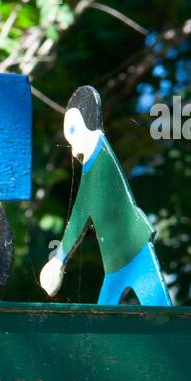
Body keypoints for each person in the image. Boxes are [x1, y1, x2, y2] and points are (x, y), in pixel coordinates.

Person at [39, 86, 171, 306]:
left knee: (160, 315)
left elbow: (80, 214)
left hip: (134, 251)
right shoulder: (95, 163)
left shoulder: (100, 163)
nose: (72, 149)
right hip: (115, 264)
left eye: (73, 131)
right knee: (104, 320)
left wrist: (58, 260)